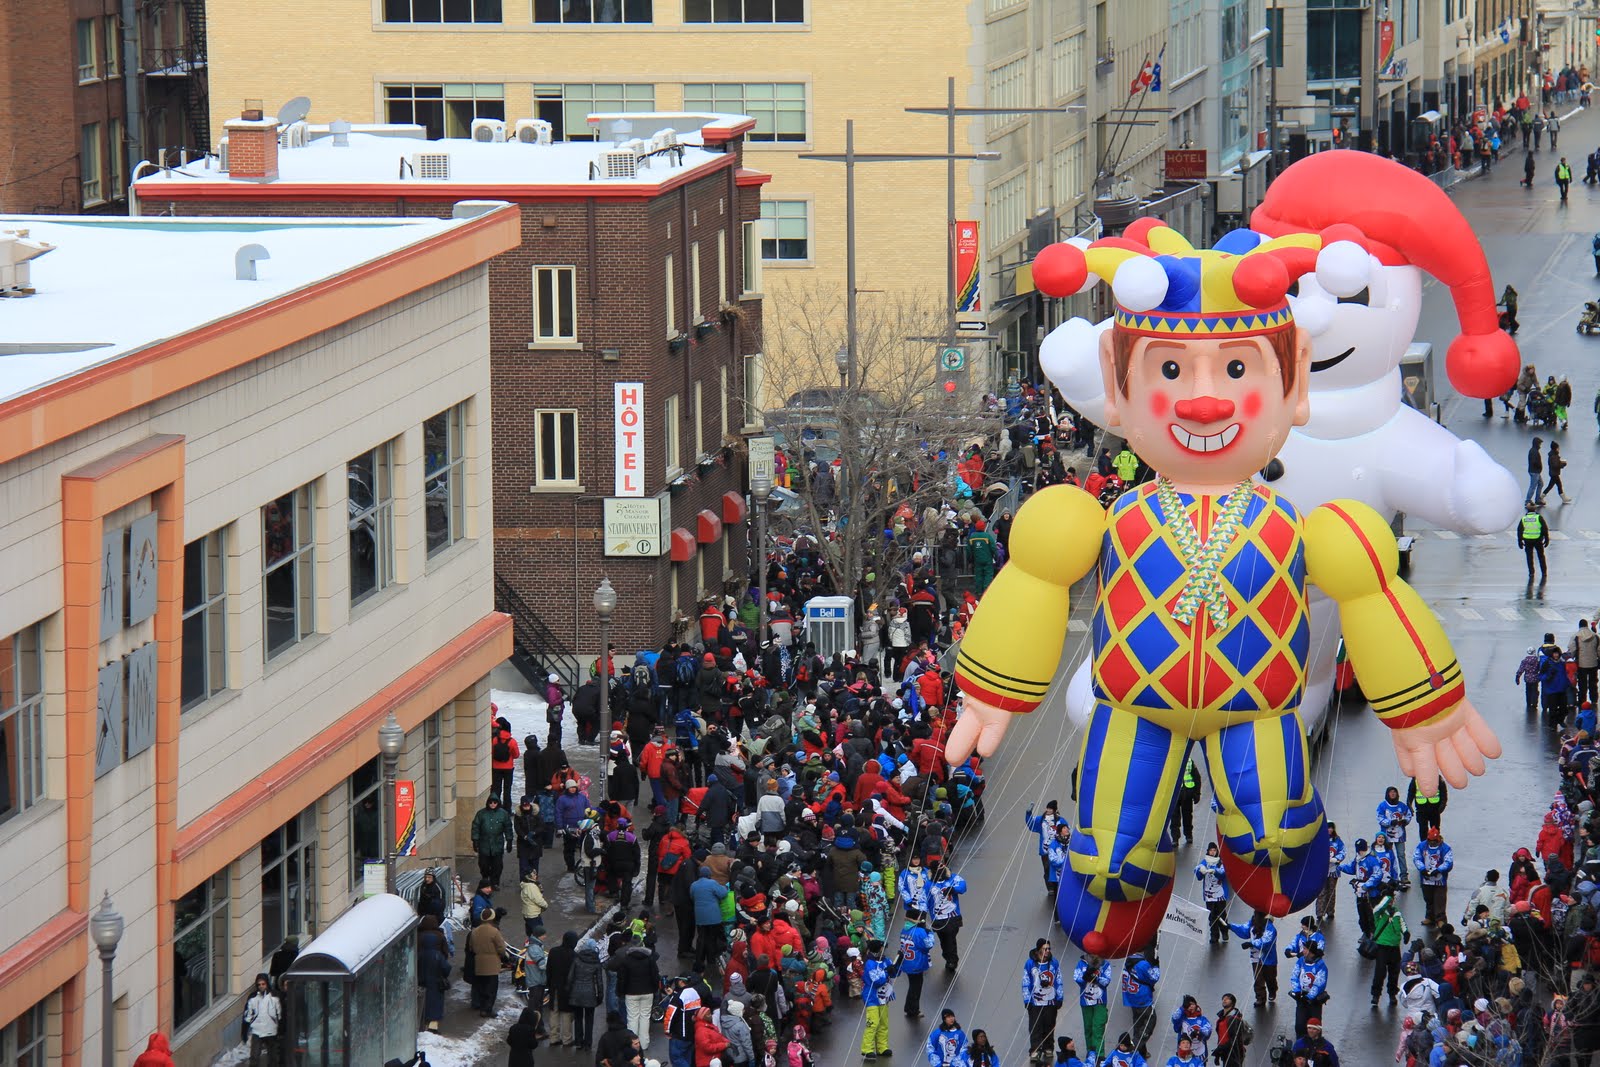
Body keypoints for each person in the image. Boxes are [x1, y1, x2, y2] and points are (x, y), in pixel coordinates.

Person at [607, 933, 661, 1052]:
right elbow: (655, 976)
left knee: (632, 1018)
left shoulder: (627, 960)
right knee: (645, 1017)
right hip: (647, 993)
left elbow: (622, 978)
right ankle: (644, 1044)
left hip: (631, 993)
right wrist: (654, 989)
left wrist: (621, 992)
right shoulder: (649, 959)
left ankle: (633, 1045)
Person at [1023, 938, 1064, 1063]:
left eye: (1049, 948)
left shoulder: (1054, 963)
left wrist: (1059, 997)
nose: (1047, 951)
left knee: (1049, 1025)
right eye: (1045, 948)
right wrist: (1027, 1000)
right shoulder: (1030, 964)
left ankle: (1048, 1048)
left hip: (1050, 1002)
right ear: (1039, 949)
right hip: (1035, 1002)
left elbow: (1059, 980)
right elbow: (1026, 982)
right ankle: (1035, 1049)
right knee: (1035, 1027)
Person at [1228, 911, 1278, 1007]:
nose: (1255, 916)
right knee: (1258, 979)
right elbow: (1244, 929)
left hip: (1268, 958)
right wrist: (1230, 926)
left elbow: (1266, 941)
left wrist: (1251, 943)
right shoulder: (1252, 923)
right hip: (1255, 957)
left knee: (1270, 978)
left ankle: (1272, 990)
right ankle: (1260, 998)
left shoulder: (1270, 927)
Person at [1121, 942, 1161, 1058]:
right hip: (1143, 998)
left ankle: (1142, 1052)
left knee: (1138, 1025)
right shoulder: (1143, 964)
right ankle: (1133, 1046)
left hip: (1131, 997)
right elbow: (1153, 978)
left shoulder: (1128, 961)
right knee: (1150, 1022)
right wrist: (1156, 966)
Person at [468, 907, 509, 1017]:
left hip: (479, 963)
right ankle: (487, 1009)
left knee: (481, 987)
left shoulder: (474, 931)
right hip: (492, 964)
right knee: (491, 989)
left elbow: (471, 947)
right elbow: (501, 948)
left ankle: (482, 1008)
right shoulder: (494, 931)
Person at [1370, 892, 1409, 1006]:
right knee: (1380, 972)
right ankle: (1376, 995)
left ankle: (1392, 994)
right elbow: (1378, 907)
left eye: (1392, 900)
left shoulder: (1397, 913)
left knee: (1394, 973)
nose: (1391, 902)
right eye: (1389, 900)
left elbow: (1402, 924)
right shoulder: (1380, 913)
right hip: (1382, 947)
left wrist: (1406, 932)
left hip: (1394, 947)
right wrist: (1388, 896)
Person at [860, 939, 896, 1060]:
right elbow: (877, 980)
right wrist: (887, 972)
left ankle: (882, 1047)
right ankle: (867, 1049)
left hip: (884, 997)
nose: (884, 950)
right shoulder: (869, 963)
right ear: (877, 949)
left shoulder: (886, 960)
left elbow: (895, 973)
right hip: (872, 998)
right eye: (882, 948)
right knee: (873, 1023)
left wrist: (897, 965)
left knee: (883, 1023)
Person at [929, 861, 967, 972]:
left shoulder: (953, 878)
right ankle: (947, 957)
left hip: (952, 916)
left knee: (950, 939)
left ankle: (952, 961)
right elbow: (924, 899)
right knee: (943, 941)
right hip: (938, 918)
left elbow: (963, 886)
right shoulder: (929, 884)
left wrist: (953, 889)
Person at [1413, 826, 1454, 926]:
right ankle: (1429, 917)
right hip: (1426, 878)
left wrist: (1439, 870)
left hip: (1439, 879)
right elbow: (1416, 858)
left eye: (1434, 840)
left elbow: (1448, 862)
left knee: (1440, 899)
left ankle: (1440, 918)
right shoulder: (1421, 846)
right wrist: (1422, 868)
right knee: (1428, 898)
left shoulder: (1445, 848)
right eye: (1430, 840)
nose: (1432, 842)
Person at [1074, 952, 1112, 1058]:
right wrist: (1085, 977)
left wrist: (1097, 979)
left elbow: (1107, 981)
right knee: (1088, 1027)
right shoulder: (1081, 963)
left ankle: (1100, 1054)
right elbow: (1077, 978)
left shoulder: (1105, 964)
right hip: (1086, 1001)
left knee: (1098, 1027)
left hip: (1100, 1001)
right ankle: (1090, 1052)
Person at [473, 794, 515, 887]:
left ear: (498, 803)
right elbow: (476, 827)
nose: (492, 804)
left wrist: (509, 841)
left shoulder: (503, 814)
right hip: (484, 844)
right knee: (483, 864)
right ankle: (485, 878)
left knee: (497, 865)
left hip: (497, 844)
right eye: (490, 802)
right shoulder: (481, 814)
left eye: (495, 802)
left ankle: (495, 882)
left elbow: (508, 827)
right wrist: (475, 840)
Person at [1287, 942, 1328, 1038]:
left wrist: (1309, 997)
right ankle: (1300, 1045)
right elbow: (1294, 976)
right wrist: (1297, 991)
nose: (1303, 951)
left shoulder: (1321, 965)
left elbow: (1319, 984)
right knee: (1300, 1025)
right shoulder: (1301, 961)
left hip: (1314, 1001)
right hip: (1301, 998)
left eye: (1305, 949)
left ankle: (1316, 1046)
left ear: (1311, 952)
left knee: (1314, 1026)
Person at [1376, 785, 1413, 889]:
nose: (1393, 794)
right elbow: (1379, 818)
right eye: (1391, 792)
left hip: (1400, 835)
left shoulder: (1402, 806)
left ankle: (1404, 876)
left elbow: (1408, 815)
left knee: (1401, 855)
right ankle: (1390, 875)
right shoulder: (1382, 806)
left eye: (1394, 792)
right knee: (1388, 855)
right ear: (1388, 794)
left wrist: (1405, 821)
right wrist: (1390, 822)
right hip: (1386, 836)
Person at [1194, 843, 1230, 944]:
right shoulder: (1205, 861)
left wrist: (1214, 871)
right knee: (1212, 916)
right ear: (1208, 851)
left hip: (1220, 895)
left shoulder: (1220, 862)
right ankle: (1214, 935)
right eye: (1211, 850)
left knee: (1222, 914)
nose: (1213, 852)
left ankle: (1224, 932)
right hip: (1209, 896)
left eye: (1214, 850)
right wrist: (1200, 871)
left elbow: (1223, 874)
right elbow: (1199, 876)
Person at [243, 972, 281, 1066]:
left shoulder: (275, 996)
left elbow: (279, 1014)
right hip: (257, 1031)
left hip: (271, 1030)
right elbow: (247, 1016)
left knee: (273, 1057)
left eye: (263, 984)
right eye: (259, 984)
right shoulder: (252, 998)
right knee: (254, 1056)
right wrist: (244, 1031)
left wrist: (280, 1030)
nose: (261, 986)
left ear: (267, 984)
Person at [663, 976, 700, 1067]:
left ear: (680, 982)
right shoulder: (695, 993)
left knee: (677, 1059)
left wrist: (667, 1031)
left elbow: (670, 1016)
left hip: (679, 1036)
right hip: (692, 1034)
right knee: (687, 1058)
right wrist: (673, 995)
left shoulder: (678, 997)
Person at [1317, 823, 1345, 928]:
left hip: (1333, 870)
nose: (1329, 829)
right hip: (1322, 870)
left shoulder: (1337, 840)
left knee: (1332, 891)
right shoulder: (1319, 839)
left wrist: (1337, 859)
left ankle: (1330, 911)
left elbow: (1343, 851)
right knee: (1321, 891)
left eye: (1331, 827)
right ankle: (1320, 912)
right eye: (1328, 827)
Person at [1170, 758, 1202, 844]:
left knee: (1187, 815)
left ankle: (1188, 835)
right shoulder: (1168, 759)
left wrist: (1197, 793)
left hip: (1187, 793)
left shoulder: (1189, 761)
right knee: (1174, 817)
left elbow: (1197, 777)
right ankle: (1175, 838)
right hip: (1173, 794)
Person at [1170, 994, 1212, 1060]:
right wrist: (1182, 1008)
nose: (1191, 1006)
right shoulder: (1182, 1019)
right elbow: (1174, 1018)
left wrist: (1198, 1031)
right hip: (1184, 1055)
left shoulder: (1202, 1019)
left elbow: (1208, 1030)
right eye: (1188, 1005)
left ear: (1196, 1005)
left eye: (1192, 1004)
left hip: (1200, 1054)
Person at [1213, 993, 1250, 1067]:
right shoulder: (1222, 1018)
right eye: (1223, 998)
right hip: (1225, 1052)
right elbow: (1221, 1037)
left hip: (1234, 1053)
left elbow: (1234, 1038)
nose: (1224, 1000)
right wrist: (1219, 1052)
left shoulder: (1234, 1019)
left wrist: (1220, 1049)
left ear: (1232, 1002)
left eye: (1227, 998)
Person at [491, 719, 520, 809]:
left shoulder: (495, 740)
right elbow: (516, 755)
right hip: (508, 768)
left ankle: (495, 806)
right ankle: (507, 808)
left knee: (496, 789)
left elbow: (491, 753)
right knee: (507, 790)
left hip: (496, 767)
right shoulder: (512, 741)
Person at [1519, 501, 1551, 582]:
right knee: (1541, 556)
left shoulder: (1524, 519)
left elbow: (1519, 530)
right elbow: (1544, 529)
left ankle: (1531, 572)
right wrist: (1546, 539)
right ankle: (1544, 572)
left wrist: (1520, 541)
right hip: (1538, 540)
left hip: (1527, 540)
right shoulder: (1538, 518)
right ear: (1535, 509)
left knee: (1529, 557)